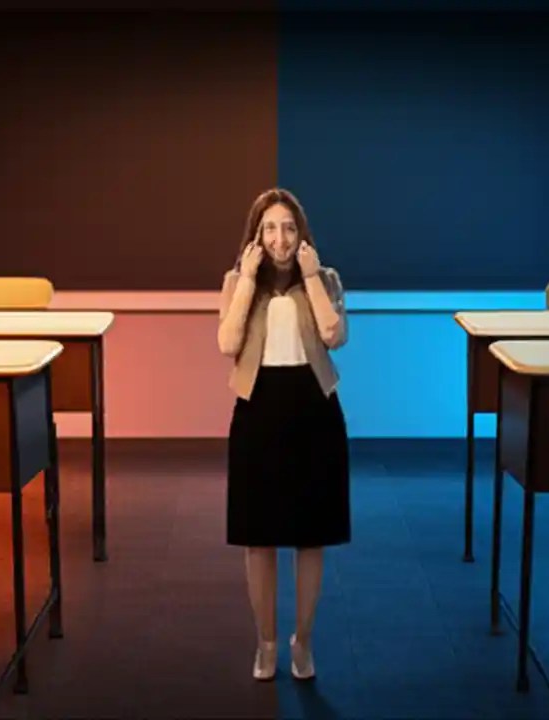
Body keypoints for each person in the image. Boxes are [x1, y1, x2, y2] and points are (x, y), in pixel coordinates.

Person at [217, 188, 350, 681]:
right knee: (259, 538)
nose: (280, 239)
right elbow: (227, 342)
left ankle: (304, 641)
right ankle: (266, 641)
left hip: (315, 408)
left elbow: (336, 335)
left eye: (289, 228)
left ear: (302, 234)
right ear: (257, 235)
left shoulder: (325, 277)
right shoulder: (238, 281)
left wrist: (312, 277)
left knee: (311, 536)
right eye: (270, 228)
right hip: (257, 410)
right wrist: (248, 279)